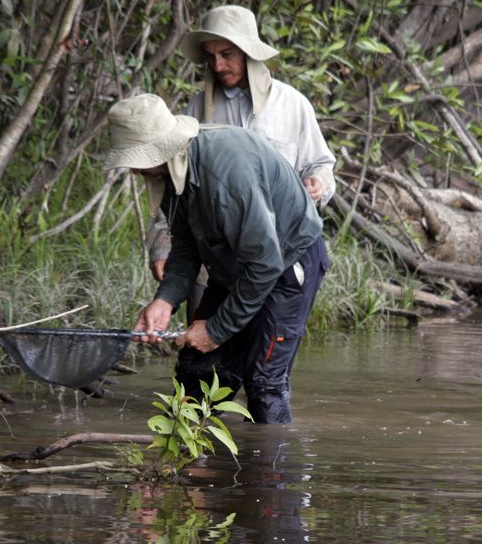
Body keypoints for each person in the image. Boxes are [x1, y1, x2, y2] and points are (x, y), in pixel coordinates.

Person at [105, 93, 330, 424]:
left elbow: (265, 264)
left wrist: (216, 330)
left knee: (264, 385)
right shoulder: (172, 171)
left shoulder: (227, 177)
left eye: (134, 159)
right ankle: (194, 471)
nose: (133, 170)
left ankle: (267, 470)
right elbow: (185, 244)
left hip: (286, 263)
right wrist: (164, 301)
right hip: (235, 263)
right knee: (196, 373)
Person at [146, 5, 336, 284]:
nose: (218, 66)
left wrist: (318, 183)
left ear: (248, 51)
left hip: (280, 253)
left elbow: (320, 164)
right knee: (205, 323)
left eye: (227, 54)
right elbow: (175, 182)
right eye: (211, 57)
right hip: (212, 258)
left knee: (271, 326)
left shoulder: (291, 105)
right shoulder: (197, 110)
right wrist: (163, 244)